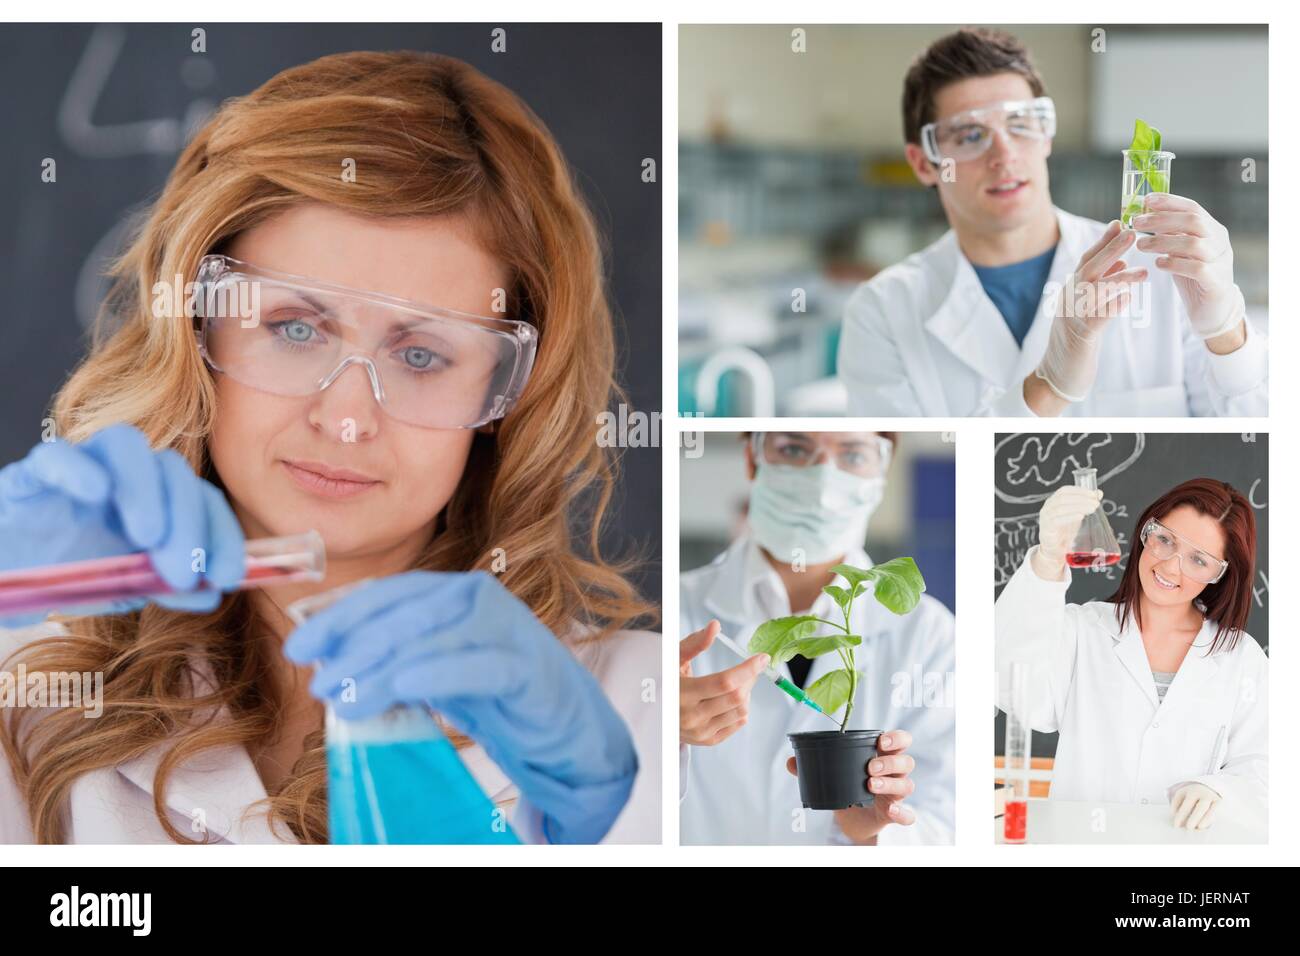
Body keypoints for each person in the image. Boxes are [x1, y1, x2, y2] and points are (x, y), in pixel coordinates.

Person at [0, 51, 660, 845]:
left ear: (507, 392)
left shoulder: (636, 710)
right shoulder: (32, 692)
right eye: (294, 329)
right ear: (197, 328)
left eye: (421, 355)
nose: (346, 418)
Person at [838, 27, 1267, 417]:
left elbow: (1260, 447)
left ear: (1046, 135)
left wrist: (1226, 333)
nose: (1004, 155)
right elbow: (925, 469)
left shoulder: (1160, 269)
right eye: (970, 135)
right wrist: (1048, 387)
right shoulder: (883, 312)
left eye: (1020, 124)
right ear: (924, 163)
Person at [679, 432, 955, 845]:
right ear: (752, 458)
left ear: (880, 474)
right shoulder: (671, 607)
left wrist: (873, 834)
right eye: (793, 449)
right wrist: (663, 731)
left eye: (853, 455)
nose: (823, 479)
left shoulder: (928, 635)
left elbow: (951, 825)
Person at [995, 478, 1267, 830]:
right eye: (1165, 540)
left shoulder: (1241, 658)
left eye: (1198, 560)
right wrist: (1047, 560)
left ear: (1221, 574)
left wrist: (1219, 790)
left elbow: (1266, 767)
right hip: (1083, 846)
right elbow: (1012, 688)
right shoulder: (1083, 632)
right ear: (1146, 532)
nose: (1170, 567)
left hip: (1186, 851)